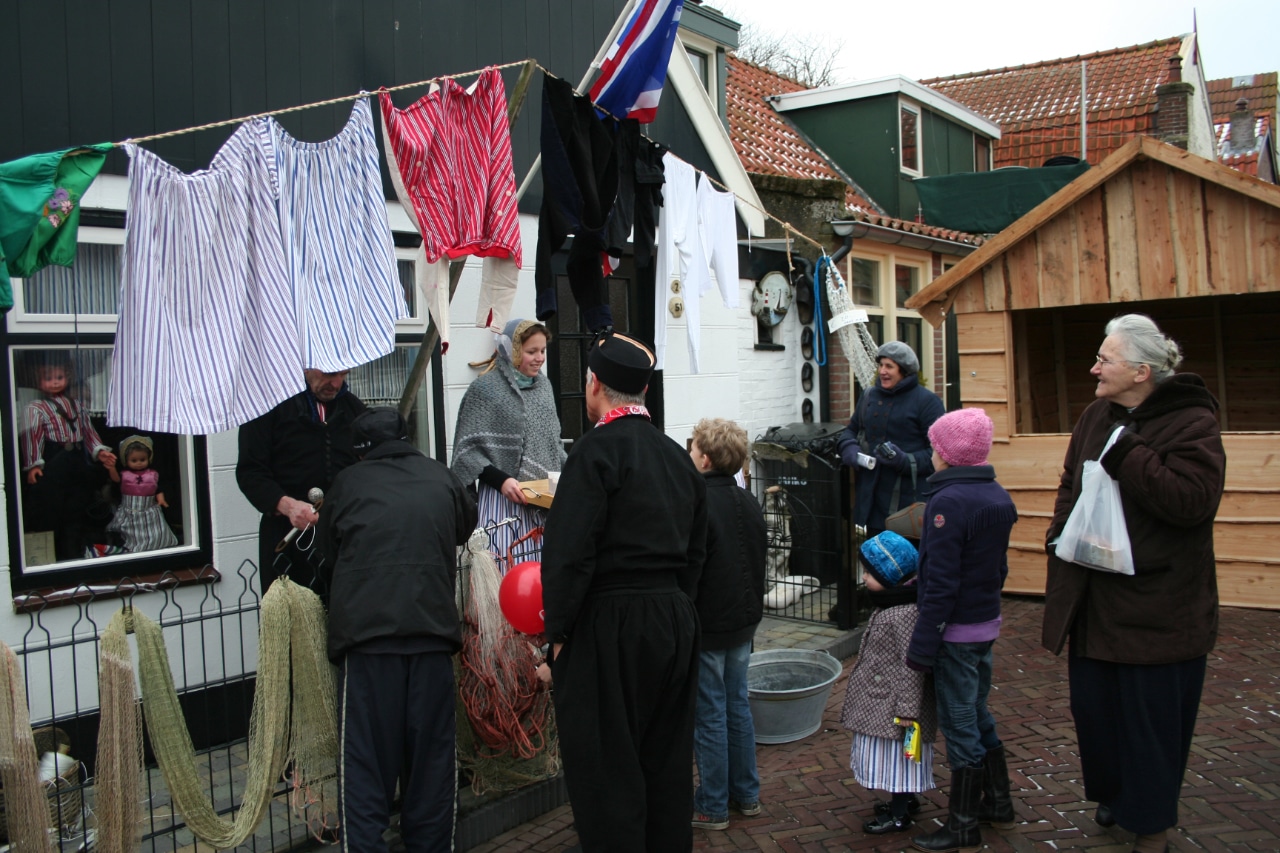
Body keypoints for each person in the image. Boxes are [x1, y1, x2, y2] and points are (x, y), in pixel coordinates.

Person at [1042, 315, 1226, 853]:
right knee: (1097, 716)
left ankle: (1152, 828)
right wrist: (1059, 533)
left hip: (1158, 612)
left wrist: (1127, 453)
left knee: (1151, 729)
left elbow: (1191, 502)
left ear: (1142, 372)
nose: (1094, 367)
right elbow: (1070, 481)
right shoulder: (1097, 414)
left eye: (1106, 360)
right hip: (1095, 603)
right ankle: (1120, 797)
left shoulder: (1192, 422)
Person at [540, 331, 707, 853]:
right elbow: (698, 549)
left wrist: (559, 632)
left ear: (595, 385)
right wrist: (678, 607)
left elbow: (569, 553)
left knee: (608, 767)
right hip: (673, 618)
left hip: (608, 623)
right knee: (667, 759)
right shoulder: (678, 457)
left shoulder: (593, 454)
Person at [316, 407, 477, 853]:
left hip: (368, 647)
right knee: (432, 767)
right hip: (430, 639)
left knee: (365, 769)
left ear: (360, 449)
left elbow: (328, 549)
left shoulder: (347, 484)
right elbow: (467, 524)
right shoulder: (440, 477)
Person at [906, 407, 1018, 853]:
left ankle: (963, 824)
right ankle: (1000, 803)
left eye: (935, 447)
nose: (931, 454)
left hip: (953, 634)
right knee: (978, 711)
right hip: (984, 625)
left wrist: (922, 646)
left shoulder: (948, 503)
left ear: (948, 455)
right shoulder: (997, 496)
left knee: (959, 723)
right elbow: (993, 568)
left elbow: (942, 582)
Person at [687, 417, 766, 831]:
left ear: (705, 457)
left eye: (693, 446)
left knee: (711, 714)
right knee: (737, 705)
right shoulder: (747, 500)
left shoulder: (695, 503)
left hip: (709, 625)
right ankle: (747, 795)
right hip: (744, 623)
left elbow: (691, 567)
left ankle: (713, 806)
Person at [839, 531, 937, 837]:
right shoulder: (893, 605)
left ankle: (899, 812)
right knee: (901, 758)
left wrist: (907, 709)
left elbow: (912, 667)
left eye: (869, 572)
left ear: (889, 574)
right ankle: (904, 800)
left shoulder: (903, 614)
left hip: (896, 711)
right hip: (884, 703)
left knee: (899, 759)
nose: (864, 578)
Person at [236, 368, 366, 596]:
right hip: (289, 538)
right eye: (329, 374)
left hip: (342, 540)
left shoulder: (352, 409)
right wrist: (287, 506)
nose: (336, 384)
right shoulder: (268, 405)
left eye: (343, 375)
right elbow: (250, 472)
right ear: (306, 366)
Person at [451, 318, 566, 569]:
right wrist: (502, 481)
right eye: (531, 352)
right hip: (502, 501)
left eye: (543, 351)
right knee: (506, 570)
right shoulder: (484, 390)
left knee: (540, 573)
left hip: (542, 498)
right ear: (512, 351)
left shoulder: (544, 387)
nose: (539, 358)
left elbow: (554, 445)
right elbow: (467, 452)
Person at [838, 342, 945, 535]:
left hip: (908, 504)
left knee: (907, 562)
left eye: (889, 366)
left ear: (904, 371)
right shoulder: (869, 396)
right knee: (874, 559)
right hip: (870, 499)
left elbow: (940, 453)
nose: (882, 371)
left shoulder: (928, 402)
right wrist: (848, 448)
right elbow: (850, 430)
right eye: (881, 365)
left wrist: (905, 460)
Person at [20, 353, 117, 560]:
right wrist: (34, 464)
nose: (55, 382)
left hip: (78, 461)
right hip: (55, 460)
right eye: (49, 378)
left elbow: (89, 433)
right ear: (38, 380)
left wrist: (100, 451)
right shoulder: (35, 408)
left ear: (68, 377)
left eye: (59, 377)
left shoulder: (78, 406)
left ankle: (74, 552)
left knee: (77, 509)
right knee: (52, 510)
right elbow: (32, 437)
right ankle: (54, 555)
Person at [106, 435, 179, 553]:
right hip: (130, 509)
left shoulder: (152, 474)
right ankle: (132, 546)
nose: (139, 463)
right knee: (130, 531)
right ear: (126, 460)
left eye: (142, 460)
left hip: (149, 509)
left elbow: (157, 489)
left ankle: (159, 544)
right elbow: (116, 480)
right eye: (134, 460)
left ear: (149, 458)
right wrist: (111, 468)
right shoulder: (124, 474)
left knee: (156, 530)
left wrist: (161, 499)